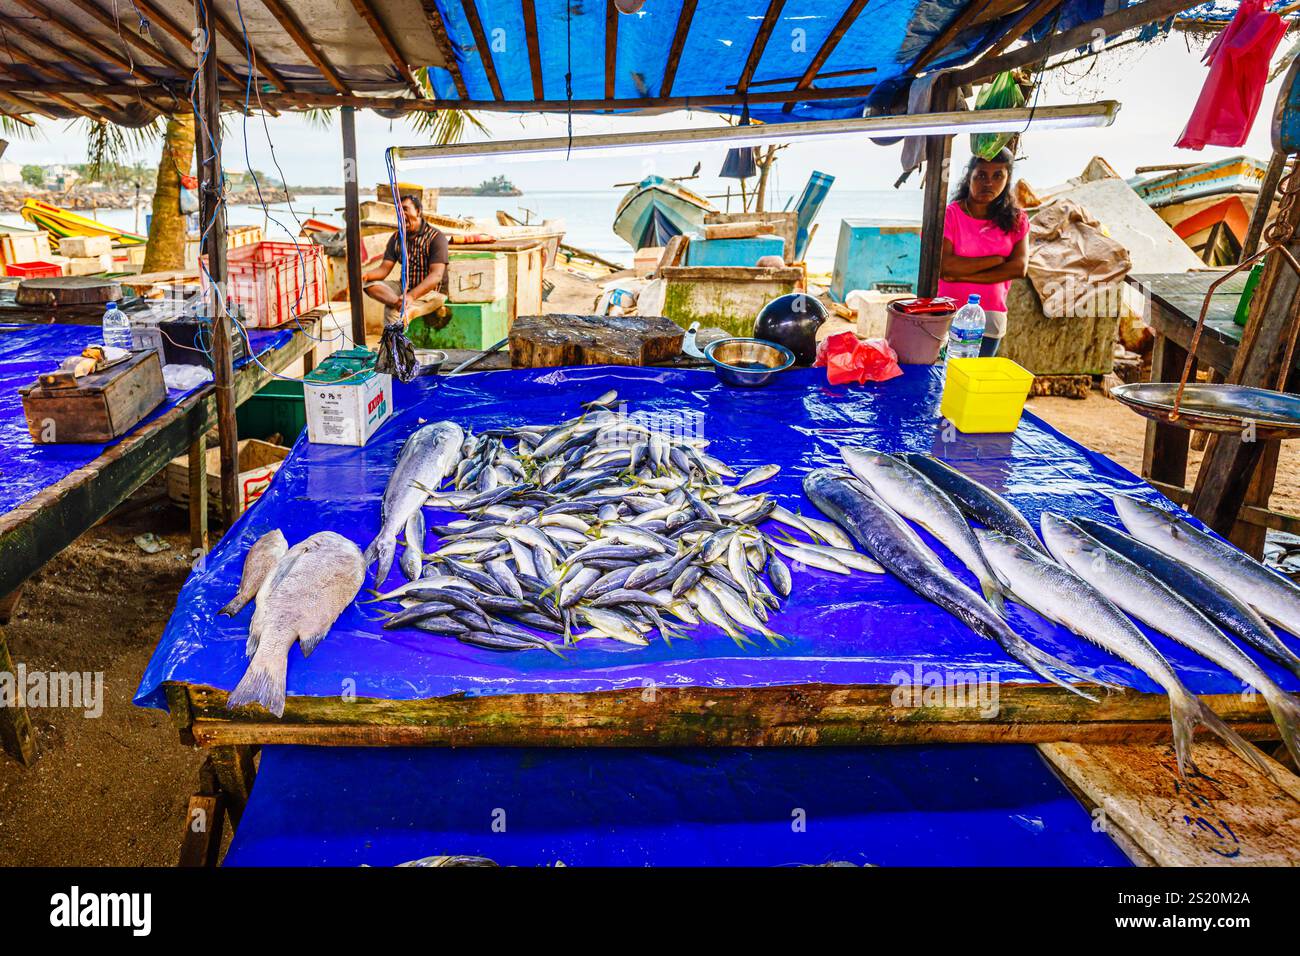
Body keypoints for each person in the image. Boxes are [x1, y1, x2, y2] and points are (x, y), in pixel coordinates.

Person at [938, 148, 1029, 358]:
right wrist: (996, 260)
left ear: (1007, 179)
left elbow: (1019, 268)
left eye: (998, 176)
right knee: (941, 379)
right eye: (981, 175)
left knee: (974, 382)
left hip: (990, 318)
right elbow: (946, 266)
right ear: (969, 177)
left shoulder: (1017, 219)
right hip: (948, 313)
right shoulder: (950, 215)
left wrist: (961, 275)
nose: (988, 183)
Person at [362, 194, 449, 324]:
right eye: (398, 210)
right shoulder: (397, 238)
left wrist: (411, 296)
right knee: (368, 284)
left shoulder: (436, 237)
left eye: (405, 209)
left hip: (432, 293)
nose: (401, 214)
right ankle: (398, 303)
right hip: (404, 288)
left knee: (392, 312)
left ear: (418, 211)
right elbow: (383, 270)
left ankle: (393, 342)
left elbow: (436, 276)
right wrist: (365, 276)